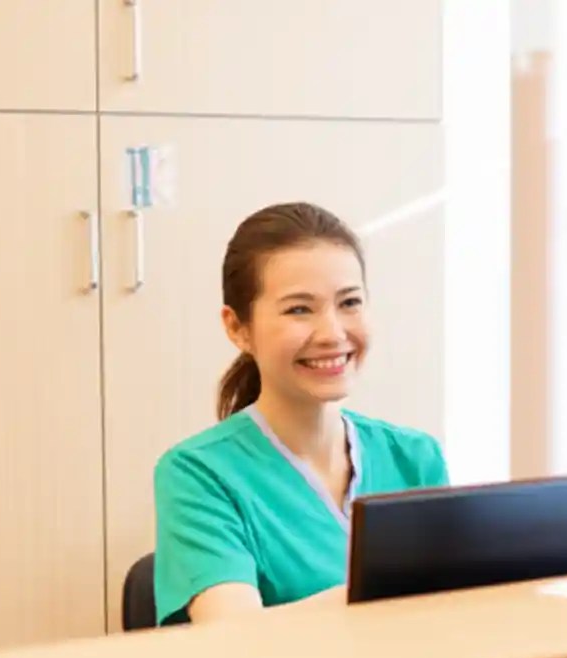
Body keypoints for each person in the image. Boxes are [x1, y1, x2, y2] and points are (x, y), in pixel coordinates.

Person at [153, 202, 449, 625]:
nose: (332, 333)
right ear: (237, 328)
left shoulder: (415, 458)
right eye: (299, 309)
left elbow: (451, 617)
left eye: (350, 302)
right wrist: (400, 594)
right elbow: (233, 633)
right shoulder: (198, 474)